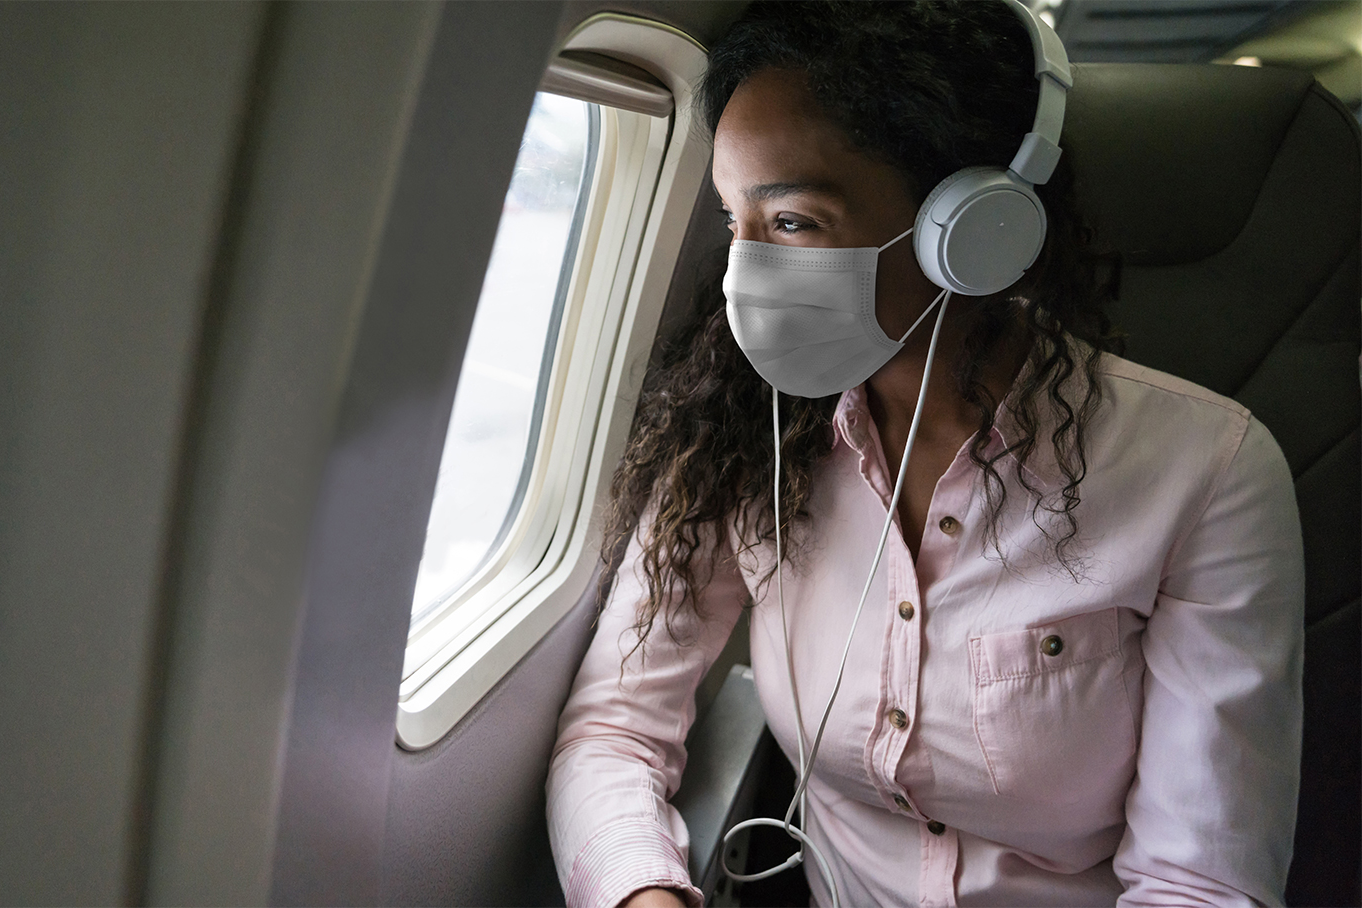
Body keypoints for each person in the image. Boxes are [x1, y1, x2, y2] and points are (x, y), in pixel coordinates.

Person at [545, 2, 1305, 907]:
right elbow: (615, 726)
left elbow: (1199, 880)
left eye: (792, 222)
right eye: (730, 219)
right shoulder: (747, 433)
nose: (743, 274)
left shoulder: (1207, 473)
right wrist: (645, 894)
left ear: (972, 231)